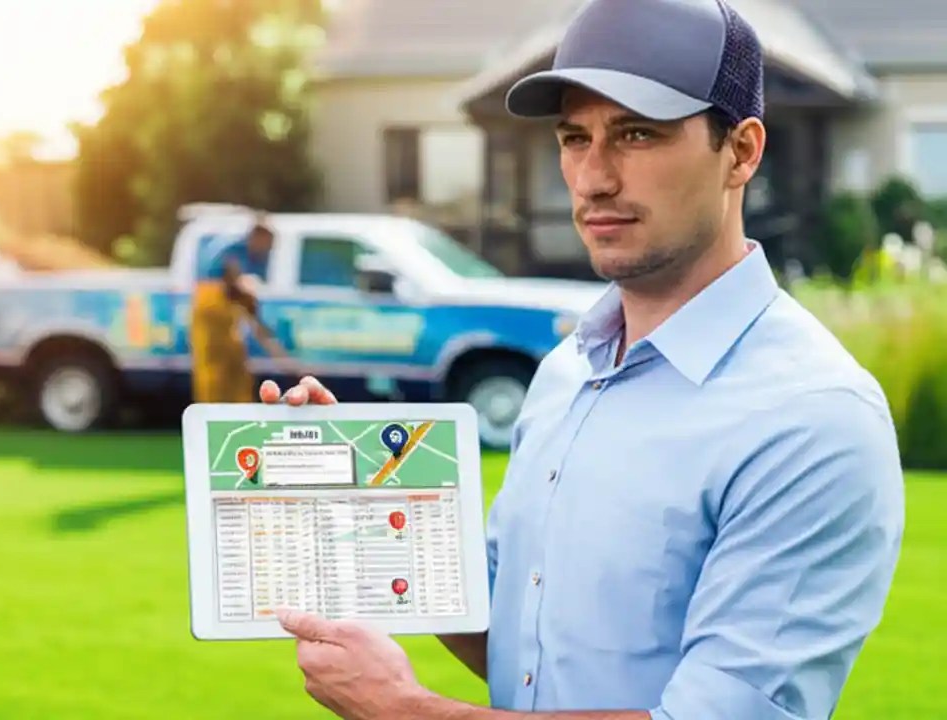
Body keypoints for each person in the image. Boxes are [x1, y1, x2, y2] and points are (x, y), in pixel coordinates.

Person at [257, 1, 905, 718]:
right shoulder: (568, 370)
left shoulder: (811, 417)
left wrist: (402, 709)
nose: (593, 178)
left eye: (637, 133)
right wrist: (361, 497)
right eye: (574, 137)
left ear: (742, 151)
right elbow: (519, 637)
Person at [190, 215, 289, 403]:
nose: (268, 250)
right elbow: (234, 286)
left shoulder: (248, 256)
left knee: (236, 364)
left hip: (225, 311)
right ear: (259, 237)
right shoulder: (234, 250)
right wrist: (255, 315)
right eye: (268, 244)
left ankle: (238, 409)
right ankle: (213, 411)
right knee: (215, 369)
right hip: (212, 308)